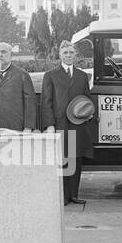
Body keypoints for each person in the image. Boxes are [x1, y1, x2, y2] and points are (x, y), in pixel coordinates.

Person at [42, 39, 96, 205]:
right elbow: (46, 102)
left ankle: (73, 195)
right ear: (60, 55)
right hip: (60, 124)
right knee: (62, 159)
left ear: (75, 55)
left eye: (71, 53)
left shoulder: (82, 76)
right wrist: (49, 125)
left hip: (78, 123)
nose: (68, 55)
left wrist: (89, 113)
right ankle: (62, 196)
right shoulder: (50, 75)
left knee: (76, 159)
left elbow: (86, 98)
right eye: (65, 53)